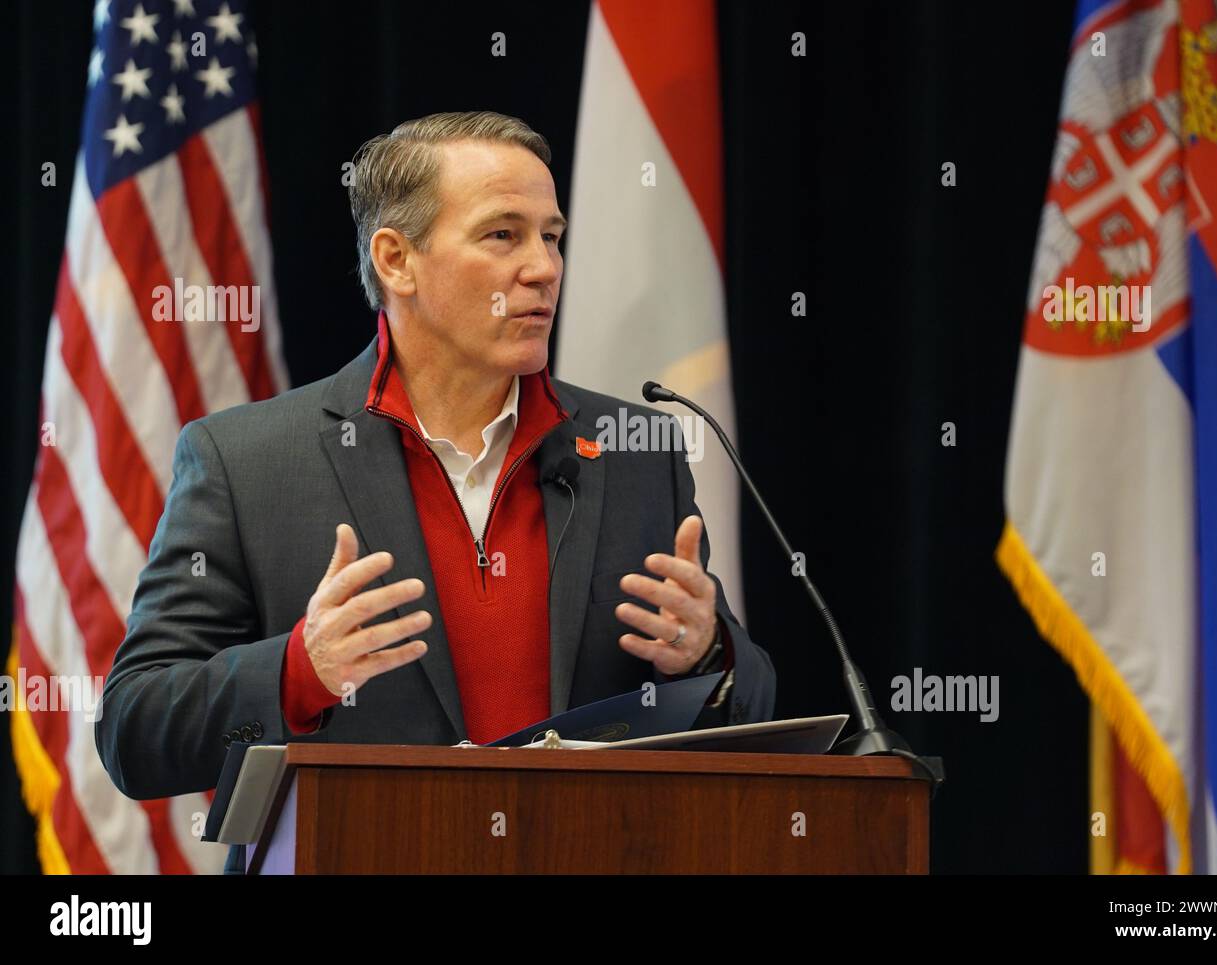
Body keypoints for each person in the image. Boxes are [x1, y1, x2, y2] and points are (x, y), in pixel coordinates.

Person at [95, 111, 776, 852]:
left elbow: (752, 709)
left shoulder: (633, 449)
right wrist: (300, 670)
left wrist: (708, 652)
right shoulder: (247, 459)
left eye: (552, 236)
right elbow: (133, 729)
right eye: (502, 234)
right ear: (396, 260)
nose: (544, 267)